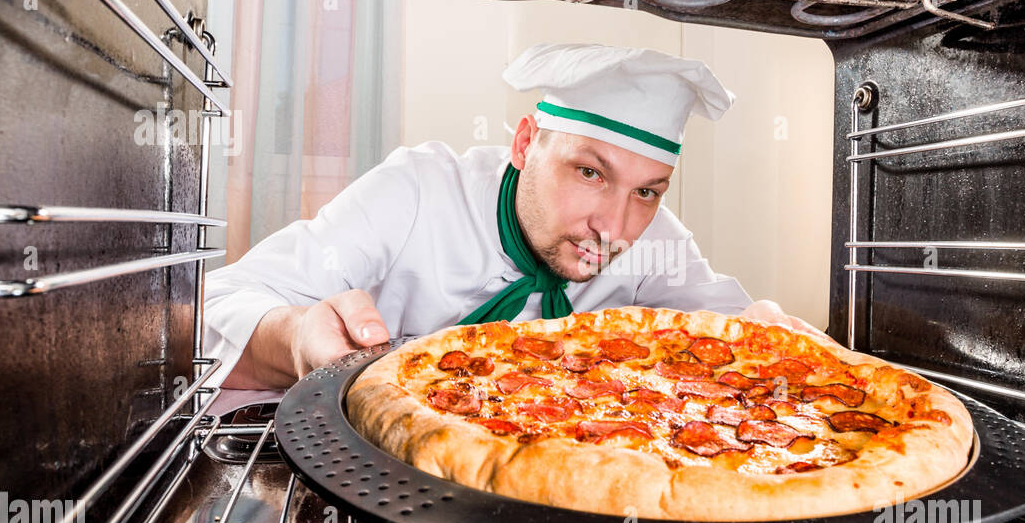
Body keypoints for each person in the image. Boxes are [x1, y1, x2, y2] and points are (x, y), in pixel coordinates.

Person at [202, 42, 829, 389]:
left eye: (648, 191)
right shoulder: (419, 189)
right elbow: (216, 308)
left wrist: (762, 326)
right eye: (590, 173)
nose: (614, 228)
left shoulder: (652, 237)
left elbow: (725, 323)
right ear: (526, 143)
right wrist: (297, 338)